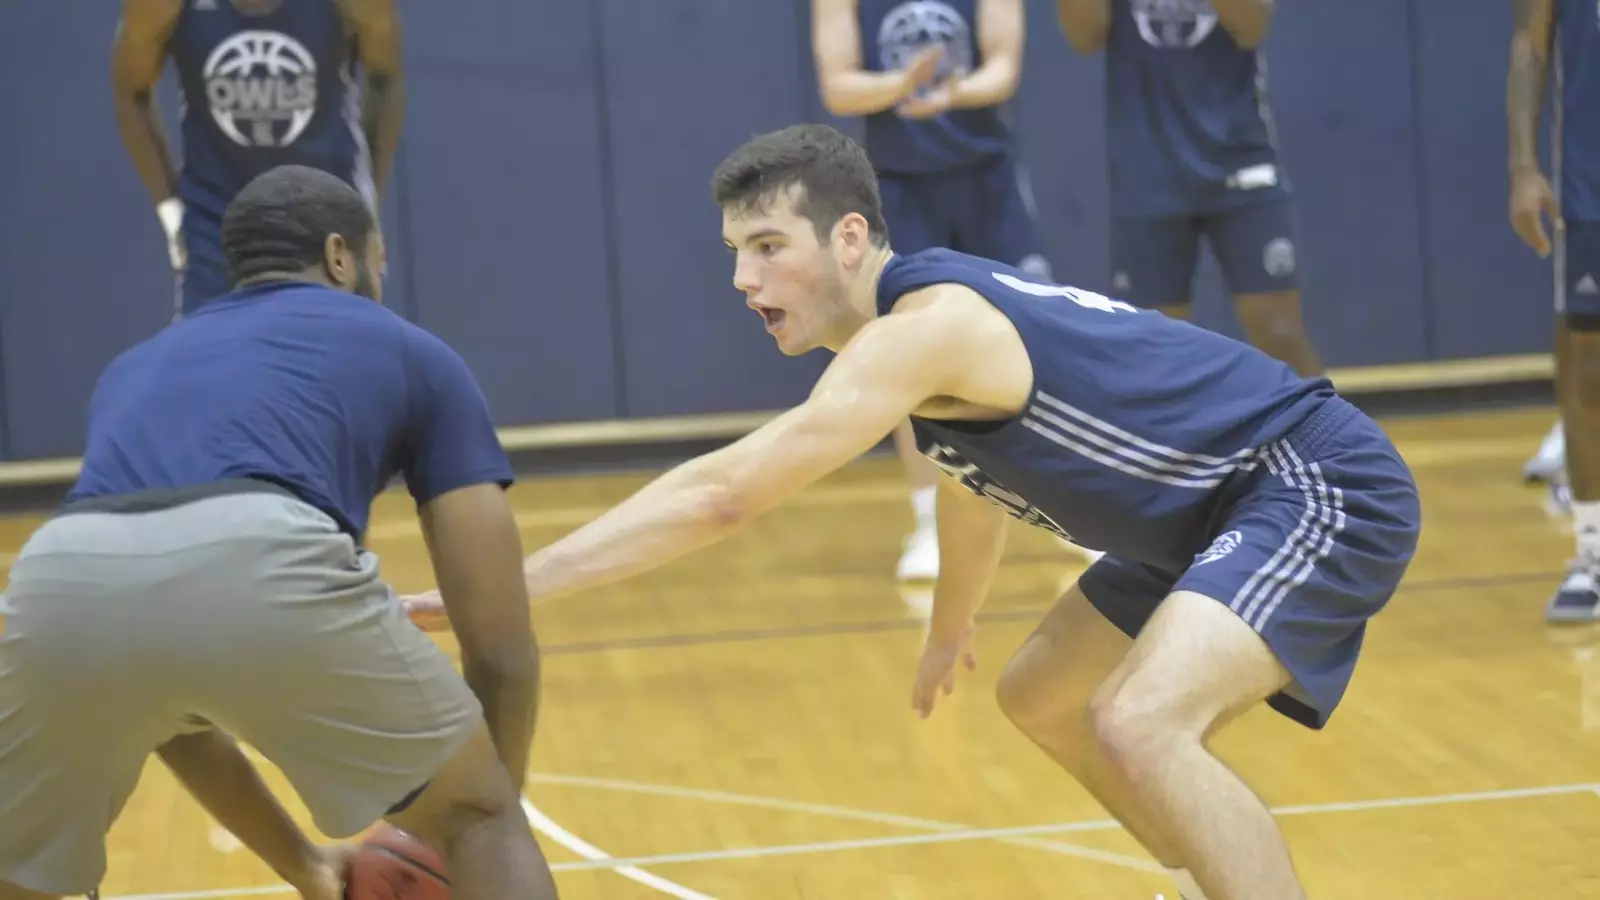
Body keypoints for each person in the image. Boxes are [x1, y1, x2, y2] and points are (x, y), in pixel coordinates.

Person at [405, 124, 1421, 900]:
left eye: (767, 245)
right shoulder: (914, 346)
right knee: (1040, 696)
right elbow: (974, 482)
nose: (743, 278)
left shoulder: (923, 329)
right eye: (734, 251)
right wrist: (949, 626)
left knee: (1138, 719)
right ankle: (1217, 876)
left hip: (1305, 482)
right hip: (1195, 518)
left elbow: (721, 496)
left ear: (850, 237)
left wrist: (505, 589)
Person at [0, 166, 558, 900]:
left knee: (23, 875)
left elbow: (167, 706)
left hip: (58, 579)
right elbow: (501, 648)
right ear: (340, 256)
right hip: (265, 550)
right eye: (377, 264)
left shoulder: (133, 368)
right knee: (479, 816)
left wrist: (304, 865)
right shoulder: (412, 350)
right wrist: (478, 800)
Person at [811, 0, 1057, 580]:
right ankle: (928, 522)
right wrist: (904, 82)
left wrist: (952, 93)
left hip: (987, 178)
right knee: (902, 349)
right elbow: (839, 88)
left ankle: (1088, 510)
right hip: (899, 188)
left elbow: (1003, 69)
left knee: (1041, 335)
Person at [1054, 0, 1324, 380]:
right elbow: (1084, 37)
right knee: (1150, 343)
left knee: (1278, 332)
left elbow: (1251, 27)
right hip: (1148, 173)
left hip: (1240, 162)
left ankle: (1334, 439)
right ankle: (1166, 441)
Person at [112, 0, 404, 317]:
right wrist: (170, 214)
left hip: (328, 230)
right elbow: (130, 90)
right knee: (212, 365)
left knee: (345, 362)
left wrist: (366, 208)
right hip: (217, 232)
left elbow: (386, 76)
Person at [1508, 0, 1600, 622]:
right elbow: (1530, 42)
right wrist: (1523, 167)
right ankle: (1593, 553)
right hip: (1590, 188)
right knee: (1589, 374)